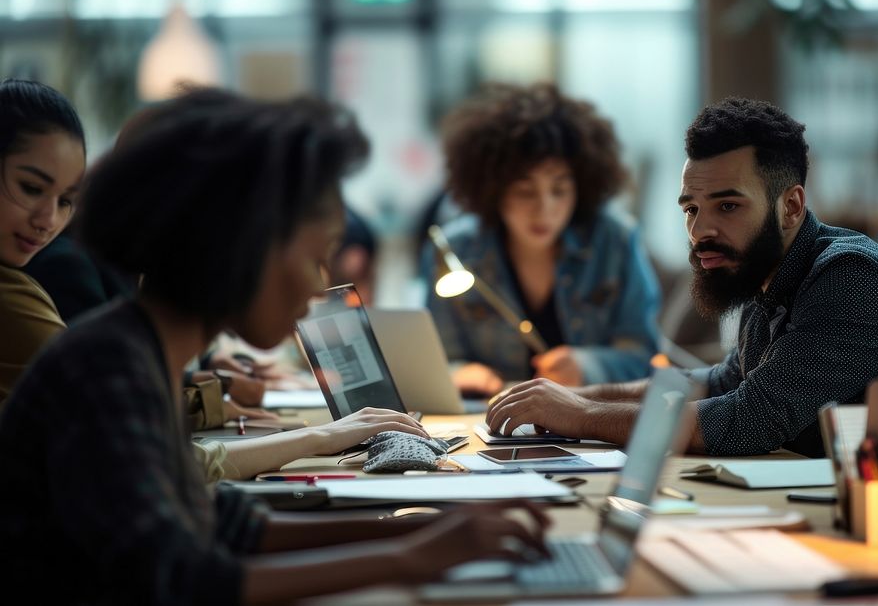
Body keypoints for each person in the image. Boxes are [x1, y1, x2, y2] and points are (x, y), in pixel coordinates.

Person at [0, 88, 549, 603]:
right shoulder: (107, 369)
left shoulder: (139, 351)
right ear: (237, 246)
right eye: (314, 254)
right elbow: (183, 580)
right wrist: (408, 556)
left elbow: (229, 524)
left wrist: (435, 526)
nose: (318, 284)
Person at [486, 97, 878, 457]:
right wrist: (566, 397)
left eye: (727, 206)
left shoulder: (849, 277)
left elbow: (750, 418)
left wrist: (584, 415)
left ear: (791, 206)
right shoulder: (766, 277)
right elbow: (714, 383)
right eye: (691, 209)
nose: (701, 230)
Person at [421, 82, 661, 396]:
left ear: (581, 186)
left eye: (559, 190)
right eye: (524, 191)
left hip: (592, 422)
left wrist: (587, 365)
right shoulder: (456, 249)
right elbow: (437, 359)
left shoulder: (615, 240)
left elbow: (644, 352)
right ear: (493, 191)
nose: (544, 209)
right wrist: (459, 373)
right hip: (493, 423)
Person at [0, 78, 87, 403]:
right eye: (32, 188)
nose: (48, 221)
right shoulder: (9, 297)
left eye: (65, 201)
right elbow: (103, 402)